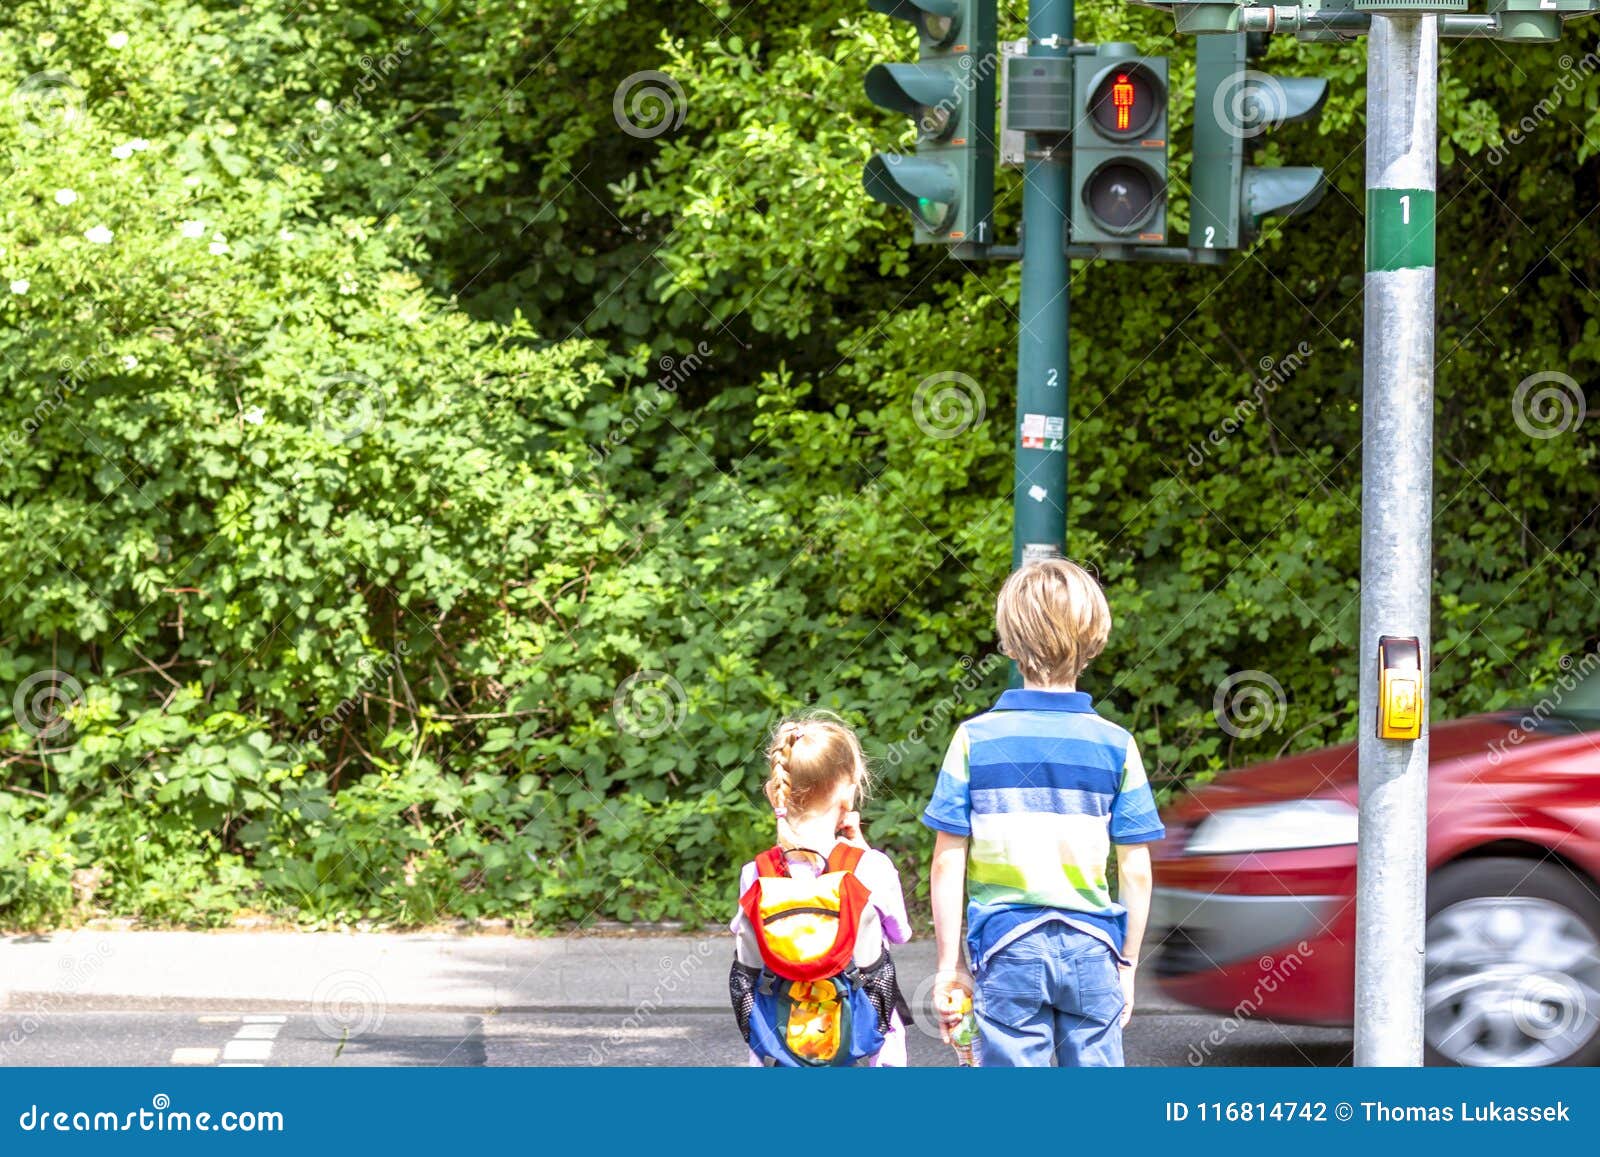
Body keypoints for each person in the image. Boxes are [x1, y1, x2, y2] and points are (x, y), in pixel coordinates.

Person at [924, 558, 1163, 1066]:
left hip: (1007, 946)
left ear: (1009, 643)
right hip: (1094, 946)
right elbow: (1136, 871)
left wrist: (950, 966)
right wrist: (1128, 963)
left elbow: (948, 860)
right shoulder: (1117, 746)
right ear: (1095, 639)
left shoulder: (974, 739)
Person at [729, 712, 912, 1066]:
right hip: (865, 1037)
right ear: (849, 791)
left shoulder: (756, 874)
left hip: (782, 1037)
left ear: (774, 792)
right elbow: (900, 933)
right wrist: (862, 851)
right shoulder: (872, 868)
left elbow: (745, 947)